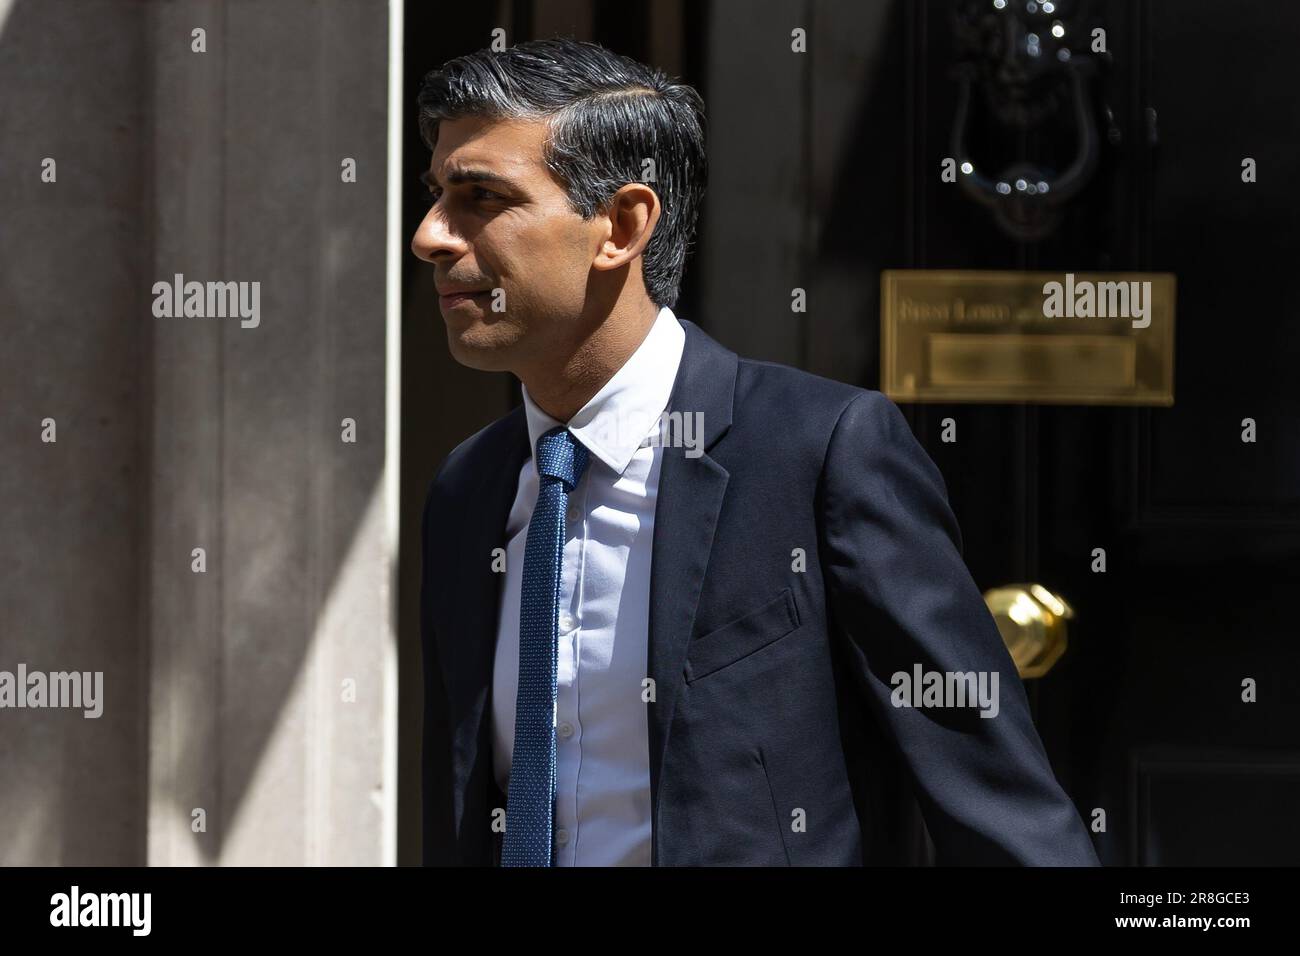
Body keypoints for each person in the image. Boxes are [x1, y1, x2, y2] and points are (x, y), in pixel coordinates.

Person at [412, 37, 1099, 867]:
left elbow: (999, 810)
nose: (429, 236)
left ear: (621, 226)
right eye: (436, 194)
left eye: (480, 197)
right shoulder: (468, 489)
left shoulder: (820, 454)